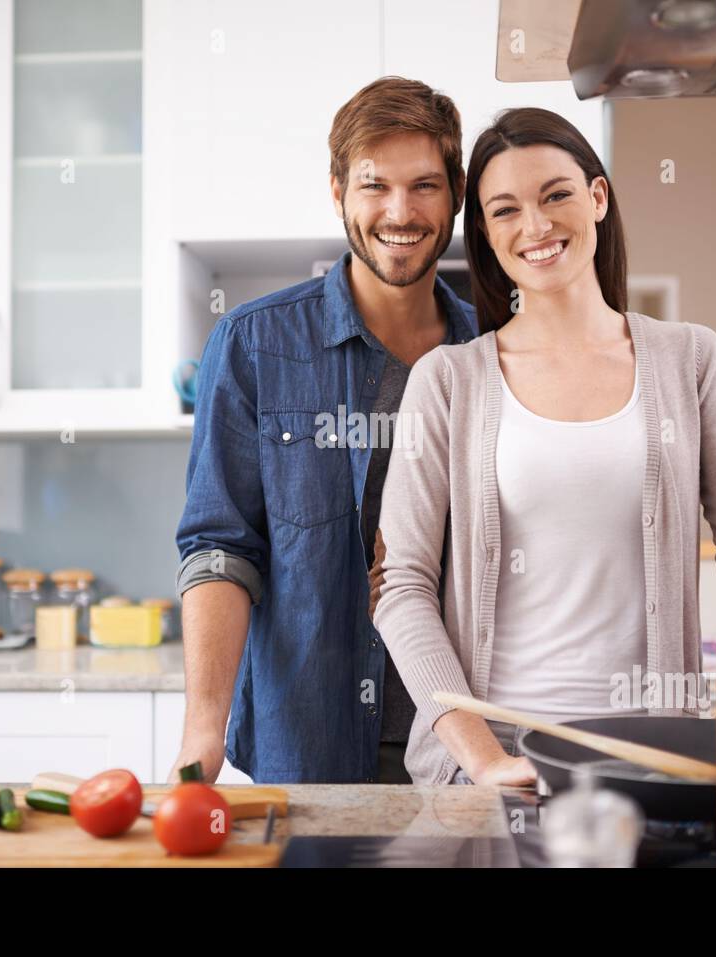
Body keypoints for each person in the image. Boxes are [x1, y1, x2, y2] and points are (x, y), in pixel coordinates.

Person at [370, 107, 716, 786]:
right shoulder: (448, 381)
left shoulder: (690, 358)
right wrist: (485, 758)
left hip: (653, 758)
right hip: (493, 766)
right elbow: (400, 586)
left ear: (597, 196)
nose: (535, 226)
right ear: (488, 236)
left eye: (555, 194)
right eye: (504, 210)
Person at [171, 77, 477, 784]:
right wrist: (201, 732)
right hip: (304, 745)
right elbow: (220, 546)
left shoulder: (495, 352)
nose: (400, 212)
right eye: (375, 185)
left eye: (425, 185)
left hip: (462, 751)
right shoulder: (253, 343)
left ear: (456, 193)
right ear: (337, 190)